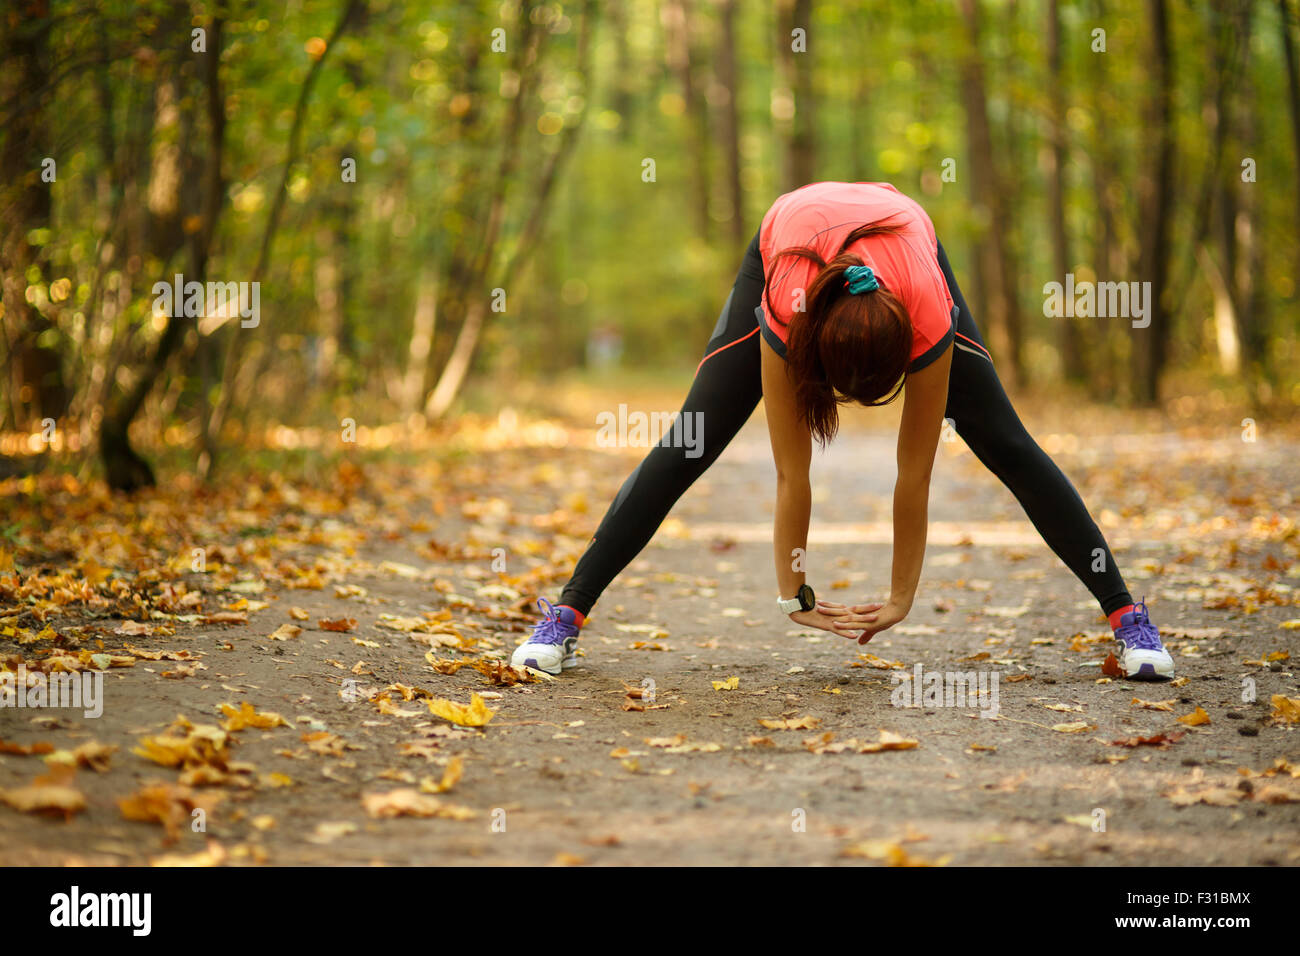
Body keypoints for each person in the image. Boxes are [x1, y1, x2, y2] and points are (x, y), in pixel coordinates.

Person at [511, 181, 1173, 681]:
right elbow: (790, 470)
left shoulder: (925, 312)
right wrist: (790, 592)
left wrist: (900, 596)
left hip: (904, 237)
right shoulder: (787, 302)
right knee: (690, 441)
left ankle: (1129, 621)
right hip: (794, 235)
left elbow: (913, 472)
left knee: (1006, 443)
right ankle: (563, 617)